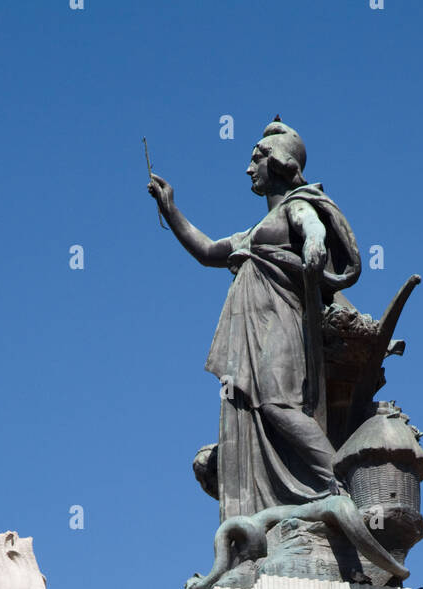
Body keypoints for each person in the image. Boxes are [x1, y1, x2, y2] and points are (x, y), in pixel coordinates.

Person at [148, 120, 361, 518]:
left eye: (255, 159)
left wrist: (314, 246)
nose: (249, 169)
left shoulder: (296, 205)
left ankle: (337, 483)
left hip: (282, 321)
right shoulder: (252, 232)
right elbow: (208, 250)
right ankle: (290, 501)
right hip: (252, 331)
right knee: (255, 408)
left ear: (278, 163)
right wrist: (171, 209)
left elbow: (311, 226)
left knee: (279, 403)